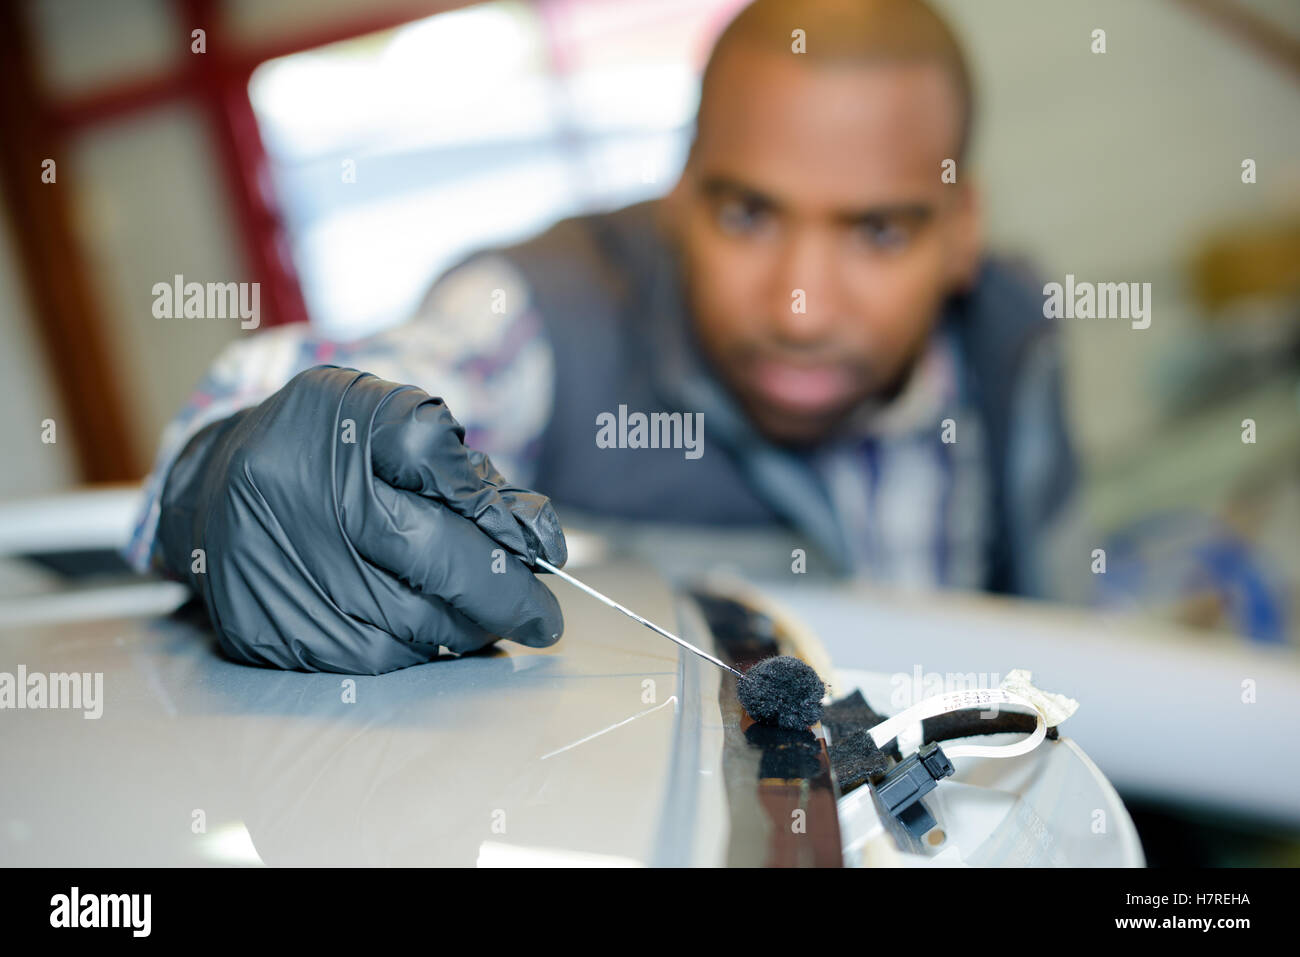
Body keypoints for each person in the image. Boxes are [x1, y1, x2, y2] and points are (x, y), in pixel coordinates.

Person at [123, 0, 1080, 674]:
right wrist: (218, 484)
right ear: (677, 196)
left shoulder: (1010, 341)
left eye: (877, 231)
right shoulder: (545, 313)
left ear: (962, 232)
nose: (801, 310)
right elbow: (383, 385)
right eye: (746, 214)